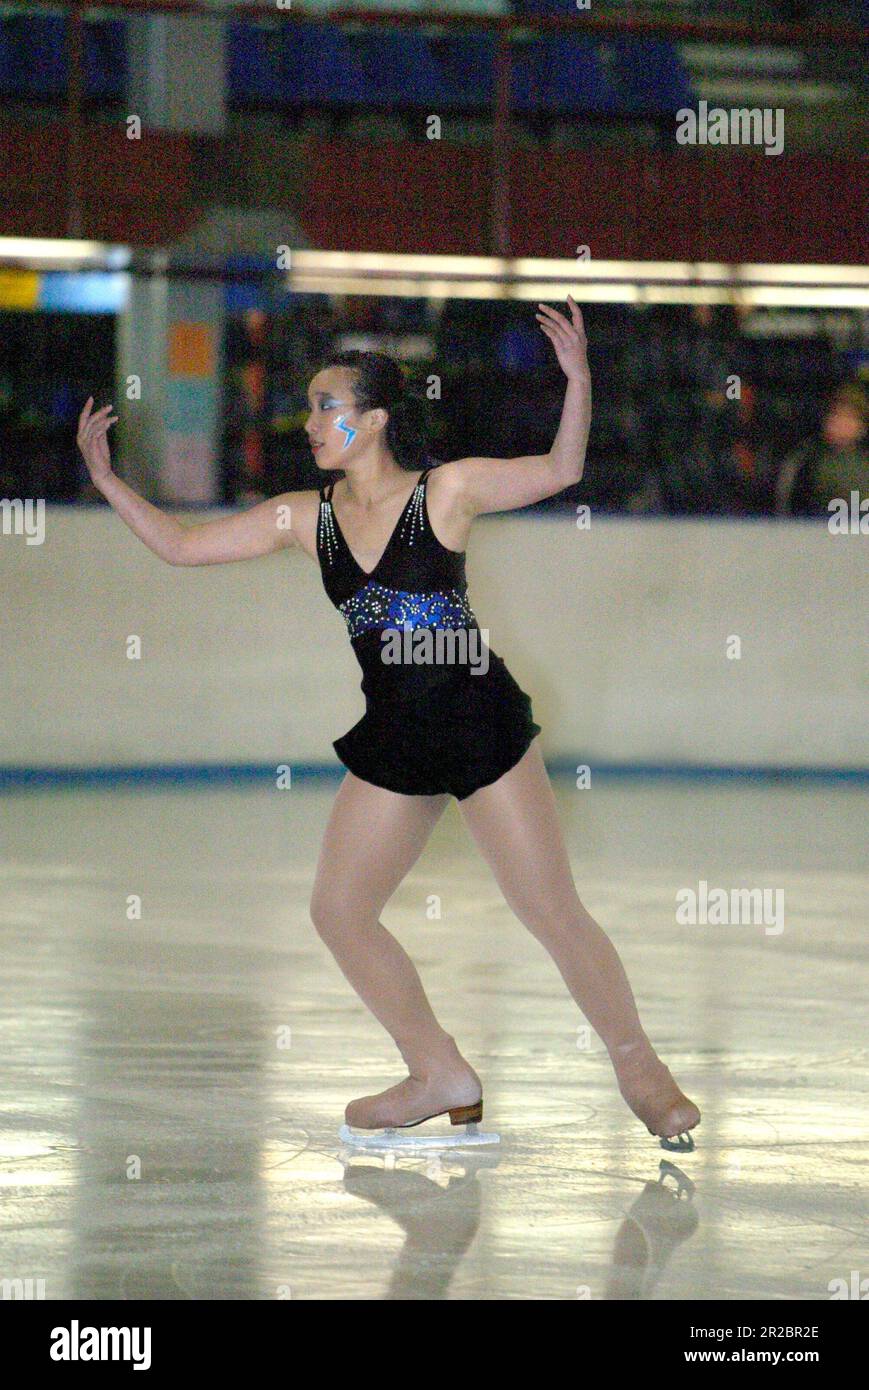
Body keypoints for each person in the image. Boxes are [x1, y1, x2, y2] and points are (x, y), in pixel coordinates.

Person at [77, 297, 700, 1147]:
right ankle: (436, 1069)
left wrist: (578, 380)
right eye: (308, 408)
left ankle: (640, 1070)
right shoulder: (306, 517)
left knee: (549, 908)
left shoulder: (446, 491)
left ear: (371, 421)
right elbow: (184, 548)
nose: (309, 422)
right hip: (397, 734)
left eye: (324, 407)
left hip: (478, 719)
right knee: (339, 910)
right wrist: (109, 480)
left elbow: (559, 469)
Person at [775, 383, 869, 517]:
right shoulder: (806, 460)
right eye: (835, 415)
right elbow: (786, 504)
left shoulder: (864, 464)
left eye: (847, 417)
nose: (838, 422)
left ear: (861, 426)